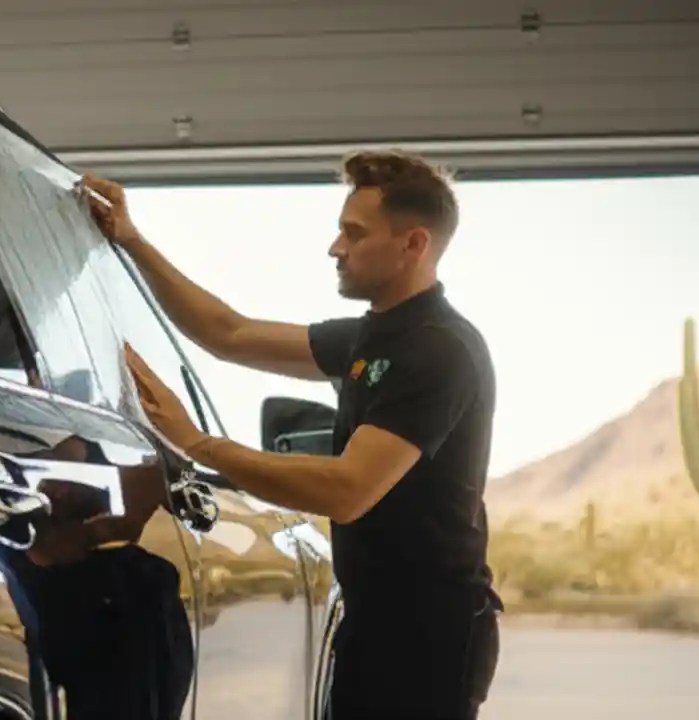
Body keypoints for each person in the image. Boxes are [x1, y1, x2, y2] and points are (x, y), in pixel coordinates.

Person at [81, 150, 502, 719]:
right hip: (375, 626)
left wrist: (200, 444)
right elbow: (228, 332)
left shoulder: (437, 351)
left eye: (354, 234)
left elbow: (348, 490)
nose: (336, 248)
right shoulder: (371, 339)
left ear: (413, 245)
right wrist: (131, 239)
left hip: (427, 641)